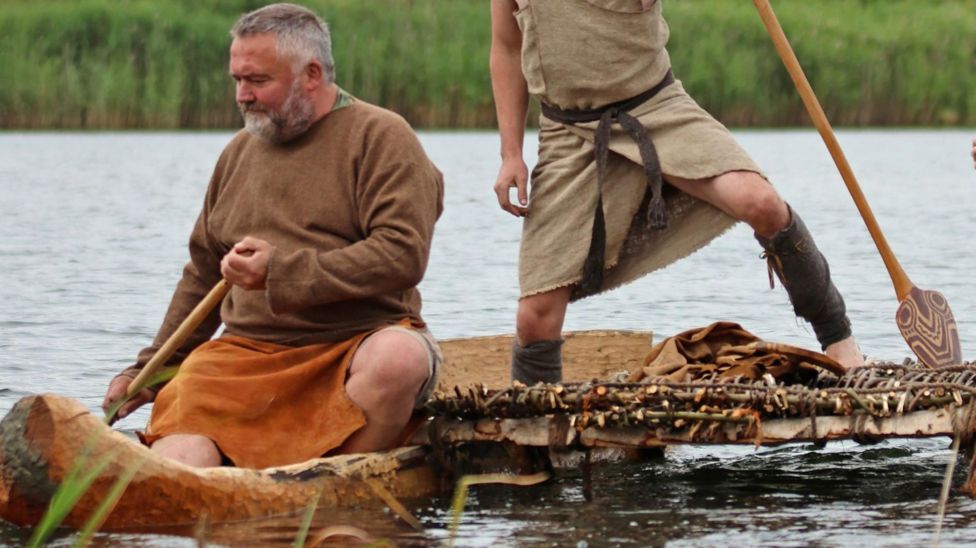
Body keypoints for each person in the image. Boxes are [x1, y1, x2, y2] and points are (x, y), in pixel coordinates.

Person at [101, 3, 444, 468]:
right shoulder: (238, 152)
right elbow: (203, 273)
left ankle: (324, 481)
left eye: (258, 81)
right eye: (237, 80)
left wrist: (280, 271)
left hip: (352, 347)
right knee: (182, 459)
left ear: (311, 74)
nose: (242, 95)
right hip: (244, 359)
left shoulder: (381, 136)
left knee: (399, 360)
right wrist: (148, 370)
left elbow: (401, 255)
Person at [489, 0, 864, 385]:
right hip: (568, 132)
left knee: (761, 202)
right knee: (535, 316)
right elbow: (506, 47)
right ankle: (538, 423)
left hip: (656, 109)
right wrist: (510, 154)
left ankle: (839, 341)